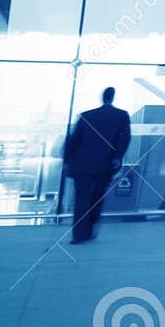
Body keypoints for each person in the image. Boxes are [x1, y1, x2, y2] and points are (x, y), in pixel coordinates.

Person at [62, 86, 132, 244]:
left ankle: (79, 235)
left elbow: (73, 140)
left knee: (81, 199)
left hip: (82, 165)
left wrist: (67, 161)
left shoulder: (86, 116)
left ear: (102, 97)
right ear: (113, 98)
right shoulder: (121, 116)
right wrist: (117, 157)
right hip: (105, 164)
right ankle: (90, 230)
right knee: (97, 198)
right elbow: (125, 138)